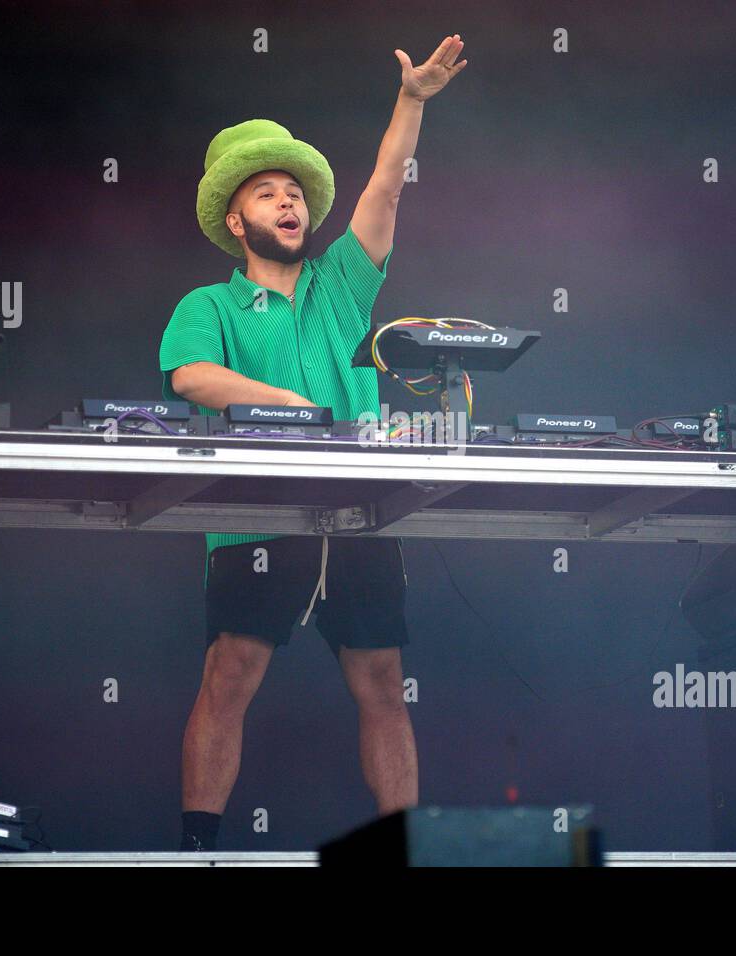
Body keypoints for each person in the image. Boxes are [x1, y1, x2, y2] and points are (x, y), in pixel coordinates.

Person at [158, 36, 467, 851]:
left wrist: (413, 99)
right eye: (268, 194)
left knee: (382, 684)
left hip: (358, 513)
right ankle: (198, 849)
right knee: (231, 673)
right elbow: (190, 377)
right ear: (237, 219)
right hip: (253, 517)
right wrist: (285, 401)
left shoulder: (340, 282)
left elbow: (386, 191)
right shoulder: (208, 304)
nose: (288, 204)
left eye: (294, 192)